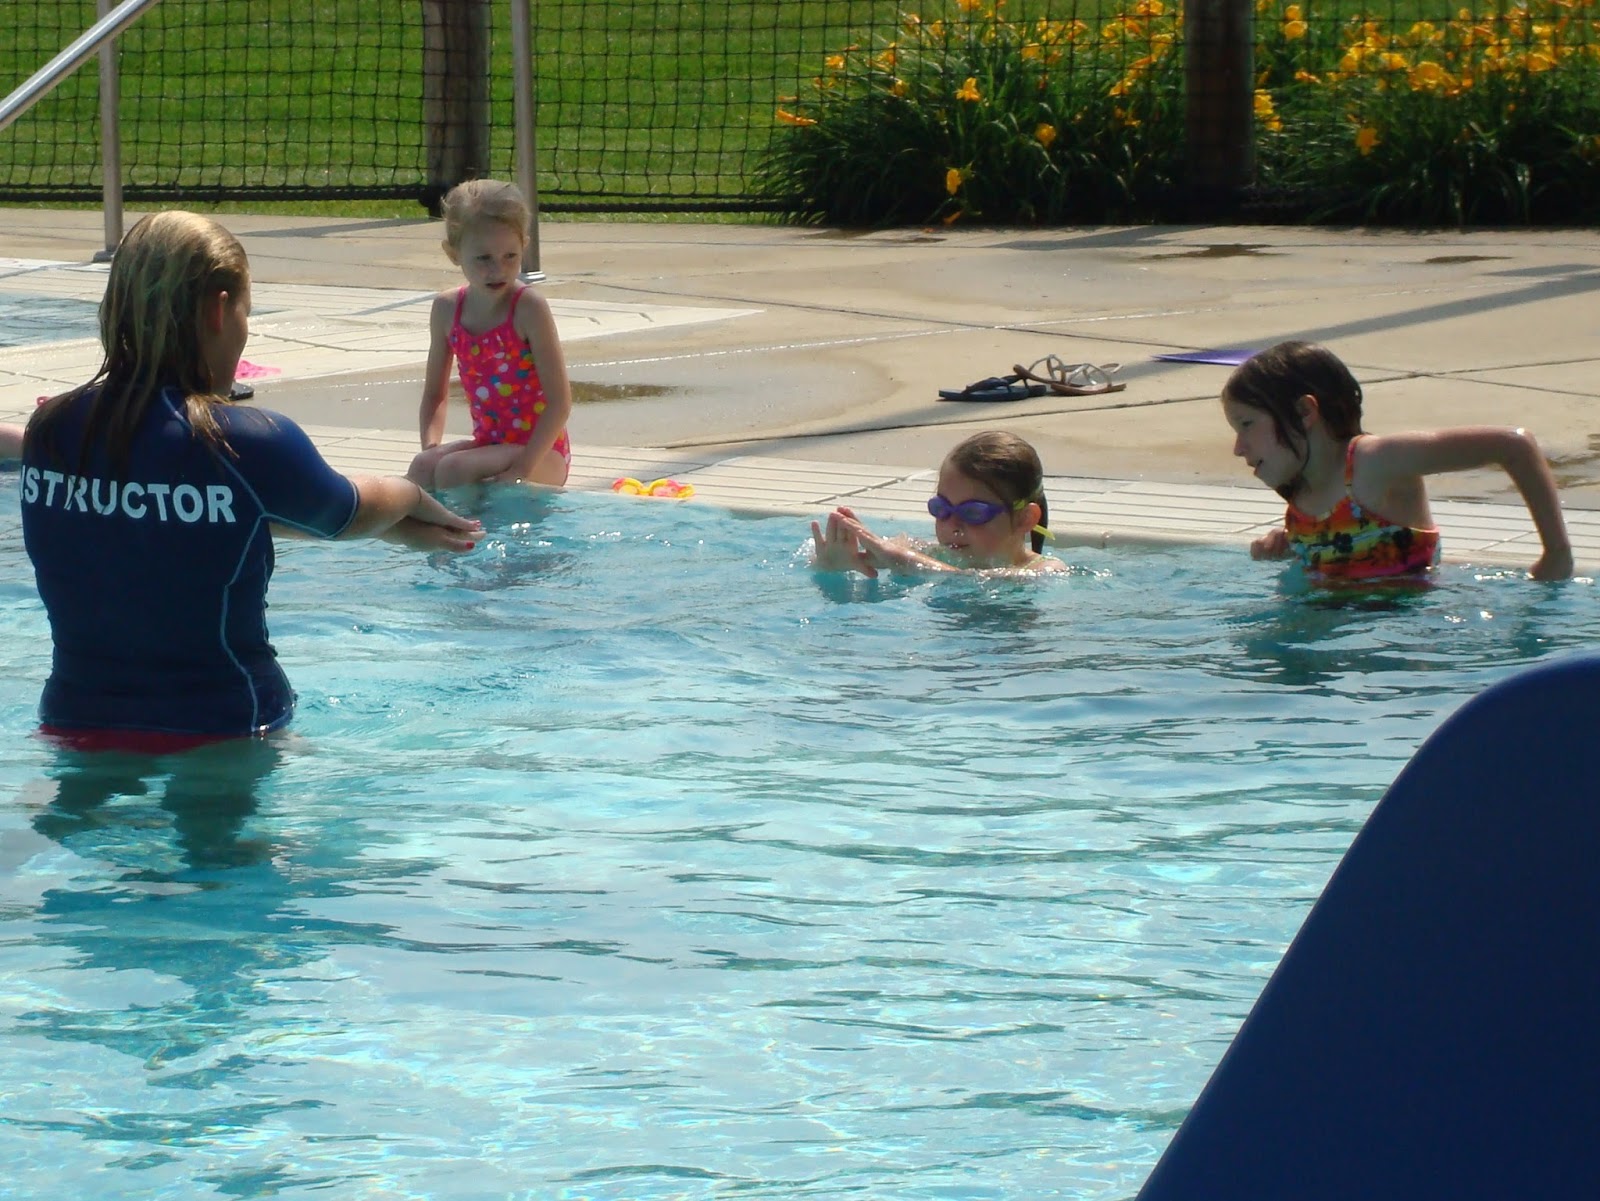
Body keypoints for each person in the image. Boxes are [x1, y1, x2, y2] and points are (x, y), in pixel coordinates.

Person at [19, 210, 481, 751]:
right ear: (219, 311)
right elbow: (346, 513)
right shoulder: (246, 441)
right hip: (222, 725)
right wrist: (411, 497)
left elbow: (151, 523)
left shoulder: (50, 431)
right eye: (246, 312)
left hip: (75, 721)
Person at [1221, 340, 1572, 582]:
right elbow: (1347, 549)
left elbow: (1513, 445)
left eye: (1247, 425)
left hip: (1410, 640)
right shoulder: (1300, 489)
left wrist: (1556, 554)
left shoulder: (1374, 462)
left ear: (1304, 412)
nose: (1238, 448)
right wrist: (1289, 545)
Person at [407, 179, 573, 490]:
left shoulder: (527, 308)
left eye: (510, 256)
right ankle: (429, 537)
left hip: (543, 455)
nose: (497, 269)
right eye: (483, 258)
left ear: (524, 245)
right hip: (491, 446)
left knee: (454, 469)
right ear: (453, 253)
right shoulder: (447, 309)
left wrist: (523, 468)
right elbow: (435, 394)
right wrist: (431, 448)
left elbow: (560, 403)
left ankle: (469, 538)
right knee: (424, 467)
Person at [811, 431, 1065, 576]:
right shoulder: (931, 552)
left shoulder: (1046, 571)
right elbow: (878, 557)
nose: (952, 526)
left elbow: (977, 582)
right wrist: (834, 564)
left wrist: (906, 561)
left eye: (973, 512)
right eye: (941, 509)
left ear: (1025, 519)